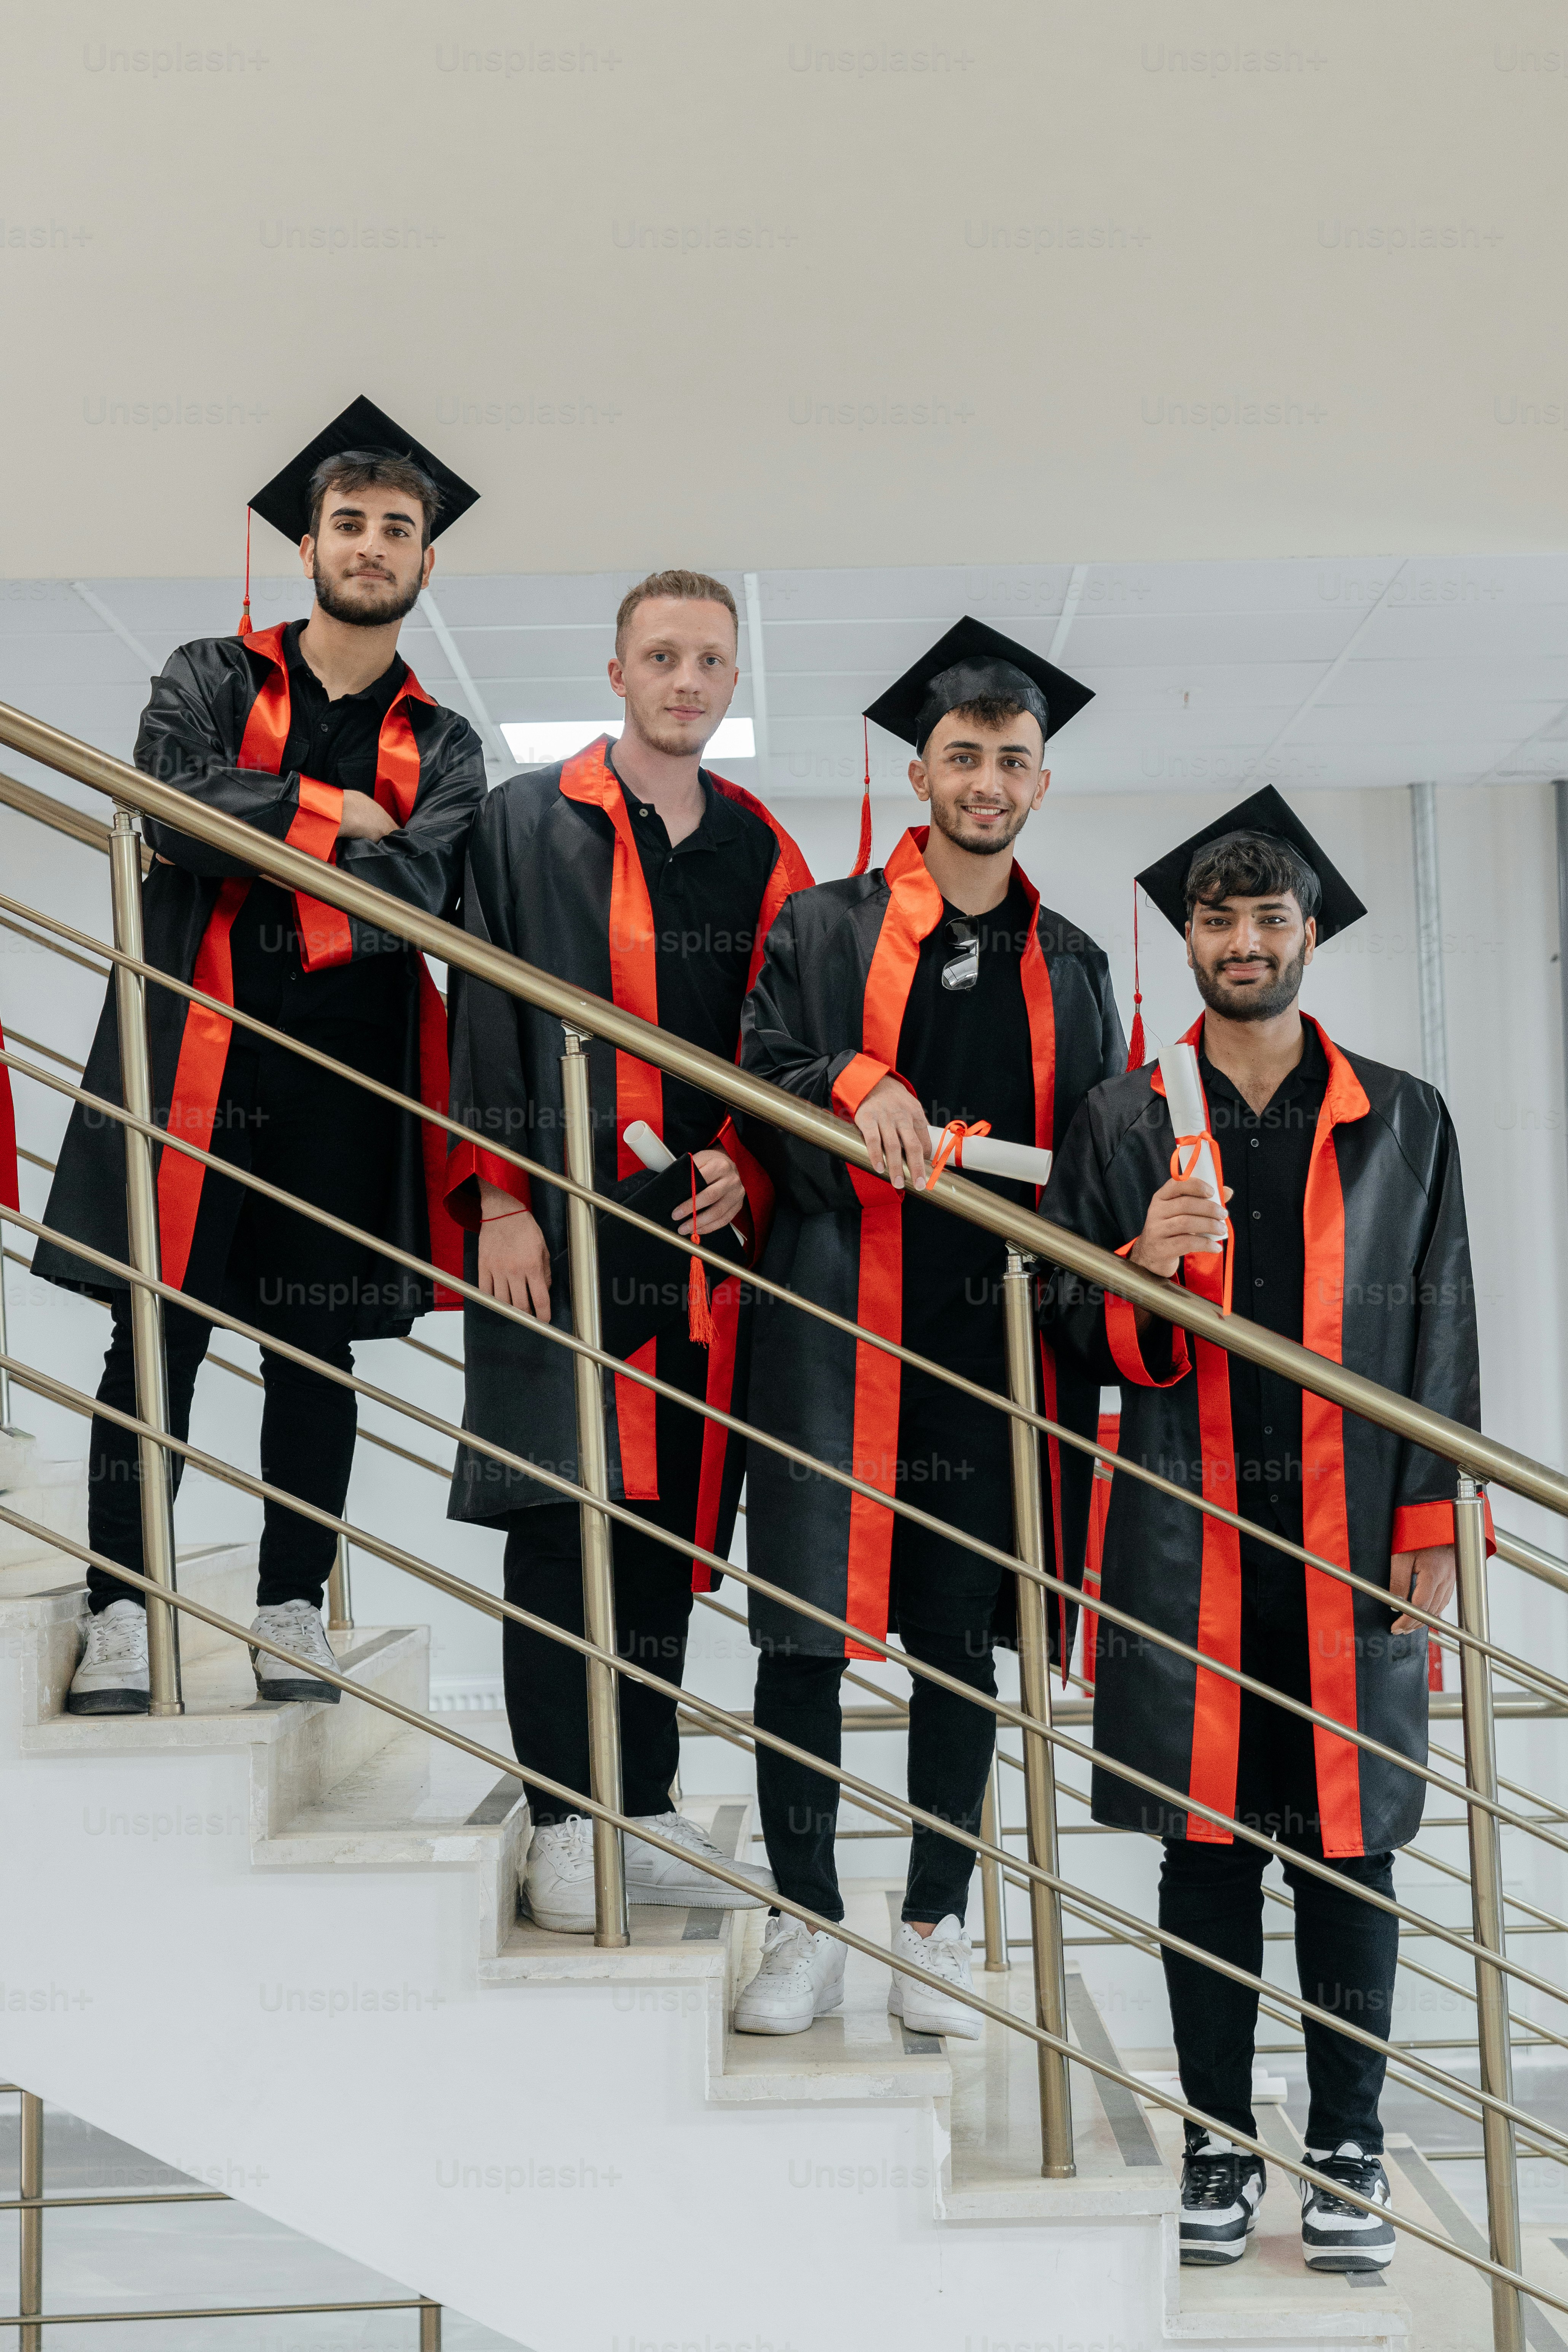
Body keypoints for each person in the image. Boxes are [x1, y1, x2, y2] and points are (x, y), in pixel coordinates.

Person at [1043, 786, 1489, 2272]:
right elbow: (1062, 1329)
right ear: (1187, 938)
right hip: (1189, 1543)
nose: (1243, 940)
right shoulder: (1124, 1118)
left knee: (1349, 1851)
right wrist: (1137, 1269)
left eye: (1268, 917)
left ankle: (1346, 2145)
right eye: (1217, 918)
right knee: (1205, 1850)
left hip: (1351, 1541)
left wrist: (1430, 1512)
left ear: (1309, 934)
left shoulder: (1400, 1118)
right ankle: (1216, 2141)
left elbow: (1439, 1326)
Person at [41, 396, 486, 1713]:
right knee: (152, 1341)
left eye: (395, 529)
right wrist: (337, 811)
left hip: (344, 1087)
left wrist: (278, 834)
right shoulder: (210, 676)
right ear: (309, 545)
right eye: (349, 523)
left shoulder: (445, 742)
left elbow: (422, 890)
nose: (370, 545)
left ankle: (290, 1610)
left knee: (315, 1354)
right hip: (195, 1058)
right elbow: (169, 811)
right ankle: (122, 1610)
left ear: (423, 560)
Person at [731, 617, 1122, 2037]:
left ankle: (932, 1929)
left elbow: (1101, 1153)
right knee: (803, 1635)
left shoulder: (1071, 963)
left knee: (960, 1643)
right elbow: (756, 1063)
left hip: (991, 1351)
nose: (986, 781)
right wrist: (851, 1075)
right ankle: (803, 1921)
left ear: (1038, 783)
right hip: (837, 1325)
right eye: (962, 755)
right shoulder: (823, 927)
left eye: (1011, 760)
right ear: (919, 772)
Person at [444, 568, 813, 1932]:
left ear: (732, 681)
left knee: (660, 1531)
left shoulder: (762, 848)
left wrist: (746, 1163)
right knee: (559, 1517)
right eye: (661, 656)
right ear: (616, 675)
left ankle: (640, 1805)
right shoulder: (523, 821)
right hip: (551, 1214)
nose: (686, 681)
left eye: (709, 660)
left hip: (695, 1234)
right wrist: (495, 1198)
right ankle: (560, 1822)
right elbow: (481, 1009)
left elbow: (783, 1045)